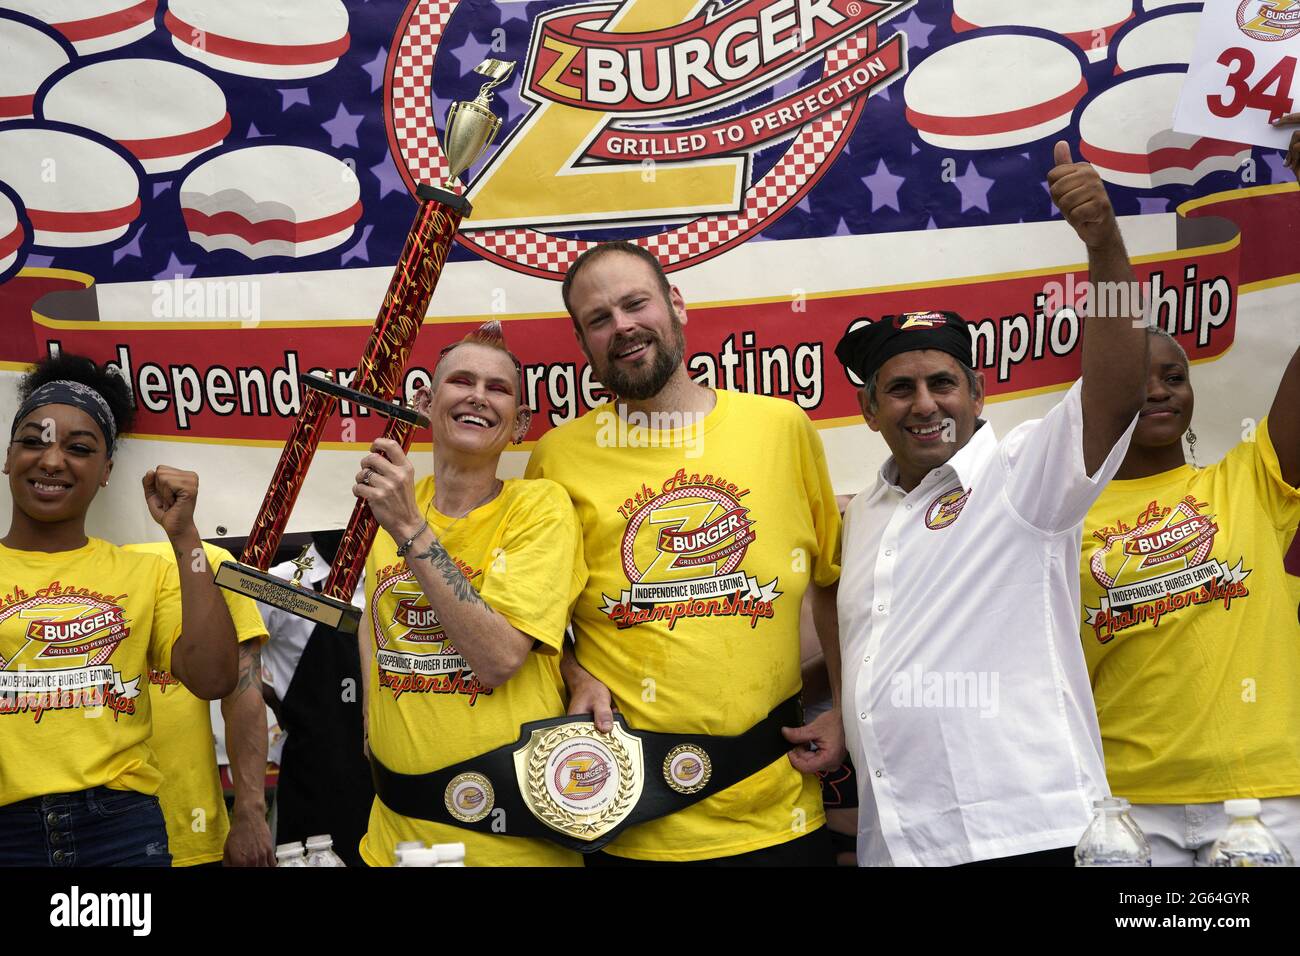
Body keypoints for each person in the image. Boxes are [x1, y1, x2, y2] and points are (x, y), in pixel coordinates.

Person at [833, 142, 1148, 866]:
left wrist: (1104, 244)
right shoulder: (866, 514)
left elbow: (1117, 392)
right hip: (903, 844)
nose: (925, 404)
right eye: (899, 389)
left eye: (943, 383)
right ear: (868, 411)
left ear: (979, 395)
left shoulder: (1021, 476)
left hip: (1028, 837)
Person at [526, 241, 844, 866]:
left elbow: (834, 584)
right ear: (583, 343)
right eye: (598, 319)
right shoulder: (557, 459)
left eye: (635, 303)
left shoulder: (782, 429)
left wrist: (845, 712)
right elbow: (530, 624)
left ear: (676, 305)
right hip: (629, 824)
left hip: (779, 815)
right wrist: (575, 673)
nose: (621, 327)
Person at [1075, 120, 1300, 864]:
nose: (1158, 392)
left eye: (1175, 376)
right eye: (1136, 381)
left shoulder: (1250, 479)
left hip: (1263, 801)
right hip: (1124, 808)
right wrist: (1102, 242)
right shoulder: (1057, 518)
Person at [355, 321, 586, 866]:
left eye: (498, 389)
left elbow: (499, 658)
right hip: (394, 837)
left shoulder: (539, 507)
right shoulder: (398, 496)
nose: (478, 397)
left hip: (508, 846)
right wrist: (371, 706)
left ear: (521, 424)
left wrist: (412, 530)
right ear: (425, 402)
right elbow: (372, 615)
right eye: (462, 382)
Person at [0, 353, 237, 866]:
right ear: (7, 455)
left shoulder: (145, 574)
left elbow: (215, 677)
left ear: (106, 471)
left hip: (119, 833)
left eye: (79, 448)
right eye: (33, 441)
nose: (52, 460)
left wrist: (184, 535)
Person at [124, 539, 273, 867]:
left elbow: (244, 694)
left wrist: (250, 811)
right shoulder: (40, 562)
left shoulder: (207, 560)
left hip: (191, 827)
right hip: (67, 829)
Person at [258, 530, 372, 868]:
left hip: (397, 786)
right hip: (316, 789)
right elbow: (232, 671)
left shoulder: (399, 577)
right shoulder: (278, 584)